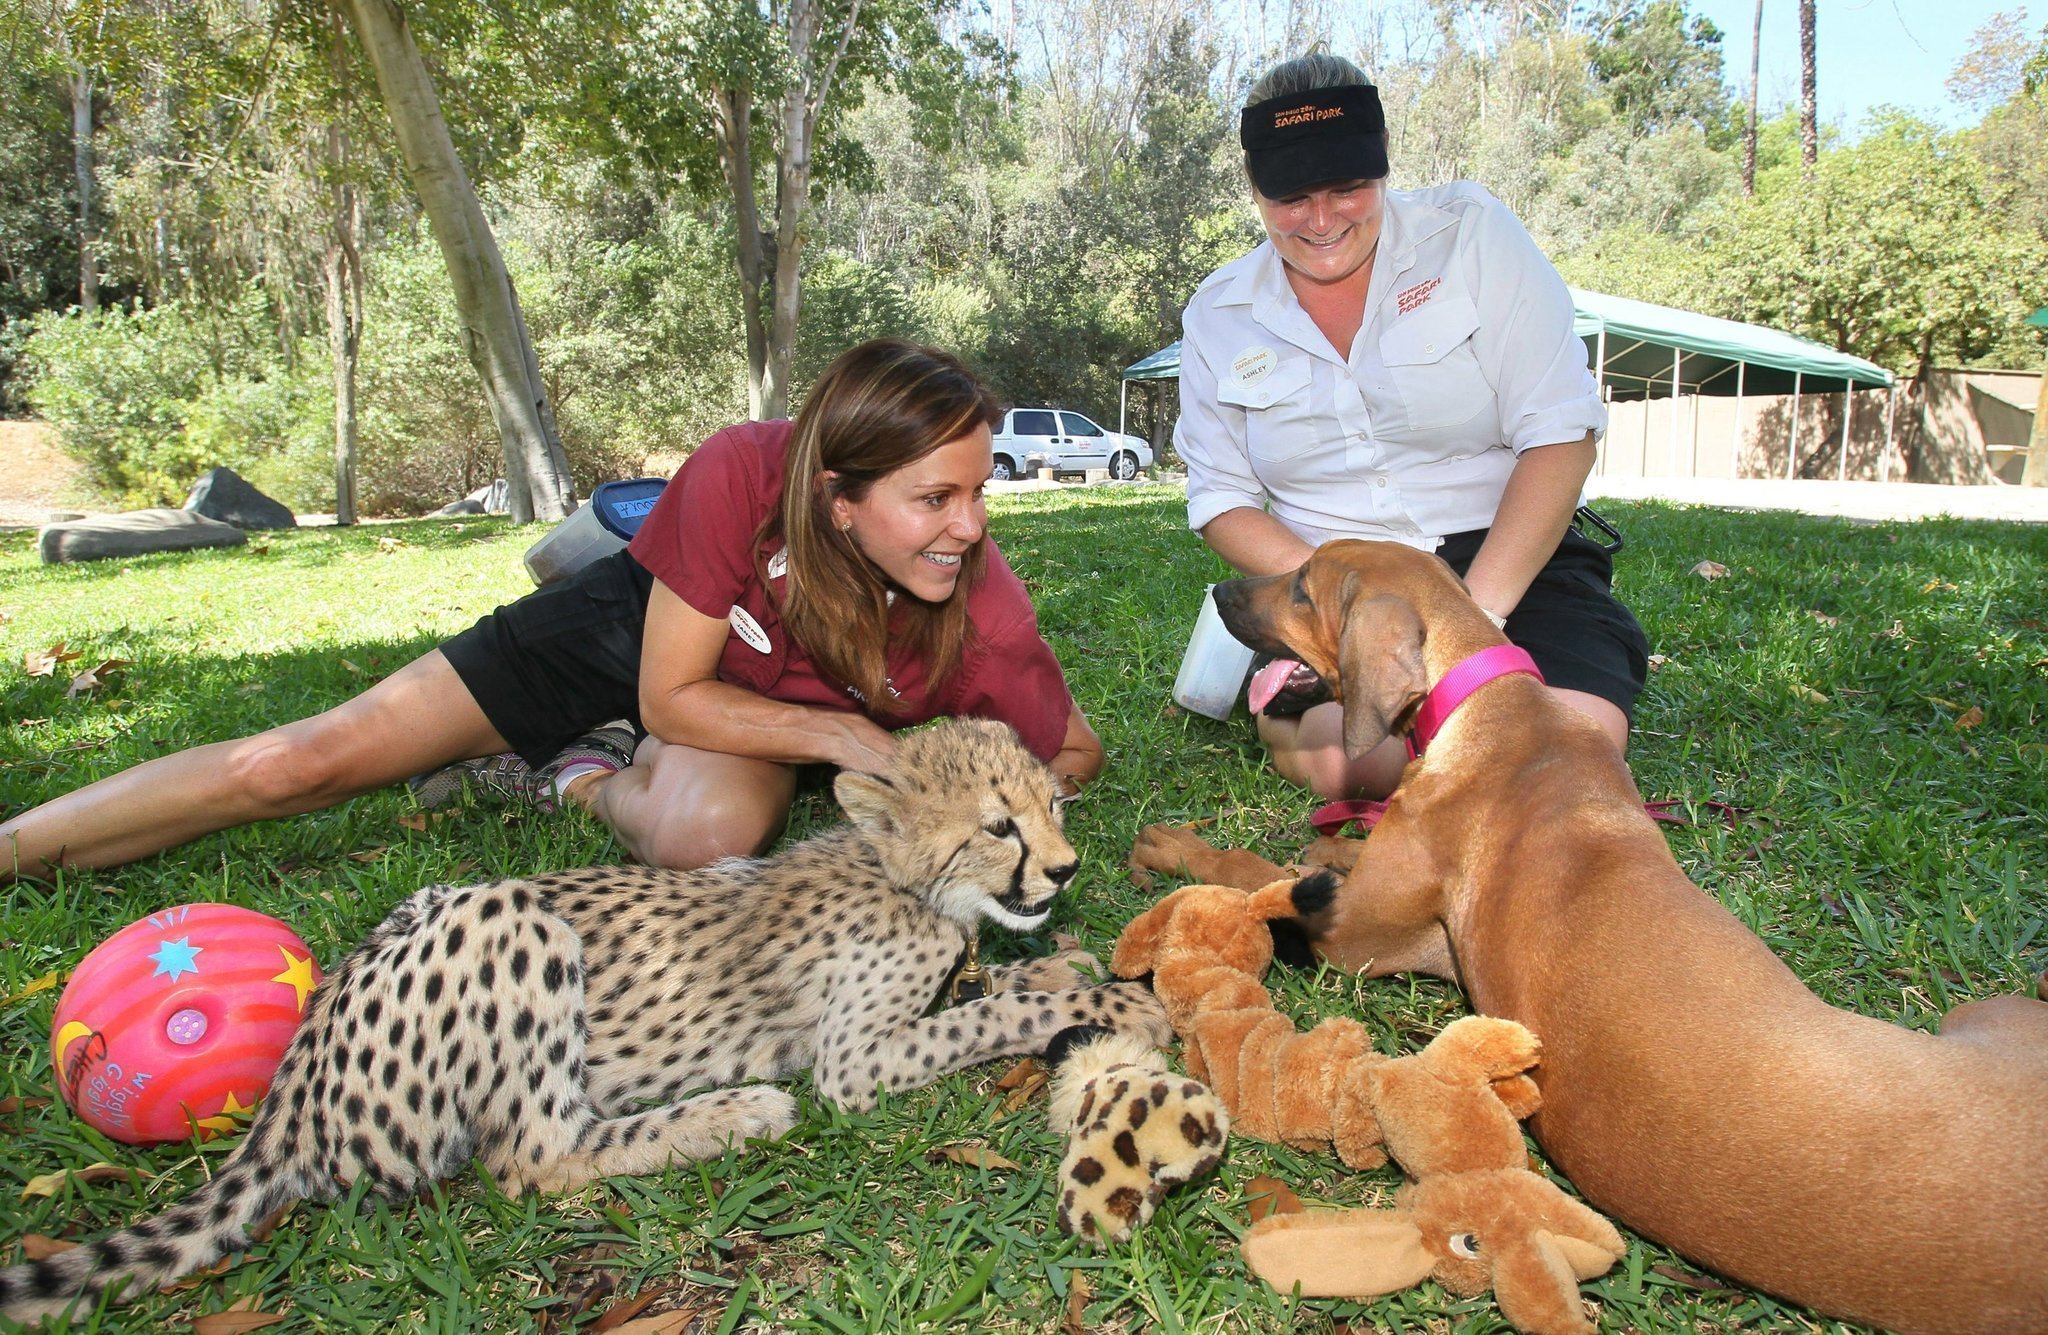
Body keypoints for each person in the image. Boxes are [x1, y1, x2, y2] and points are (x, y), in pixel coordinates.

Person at [1, 339, 1104, 880]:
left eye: (978, 492)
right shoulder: (739, 472)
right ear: (835, 497)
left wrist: (957, 780)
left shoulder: (975, 606)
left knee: (702, 834)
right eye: (933, 499)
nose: (968, 526)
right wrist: (844, 734)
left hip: (749, 711)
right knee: (303, 762)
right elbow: (671, 695)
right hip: (643, 634)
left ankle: (570, 775)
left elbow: (1070, 752)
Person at [1175, 50, 1649, 802]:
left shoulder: (1473, 238)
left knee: (1566, 754)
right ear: (1254, 188)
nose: (1323, 220)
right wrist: (1329, 607)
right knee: (1356, 766)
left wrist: (1473, 622)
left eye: (1349, 187)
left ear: (1385, 164)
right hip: (1330, 577)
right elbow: (1220, 498)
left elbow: (1561, 433)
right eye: (1292, 197)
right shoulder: (1218, 312)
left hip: (1504, 562)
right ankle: (1290, 696)